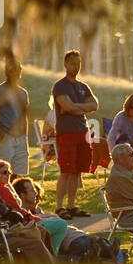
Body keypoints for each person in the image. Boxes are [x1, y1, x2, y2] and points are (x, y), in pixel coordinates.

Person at [0, 155, 67, 252]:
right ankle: (52, 260)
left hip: (8, 227)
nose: (8, 174)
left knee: (46, 226)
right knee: (58, 225)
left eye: (9, 172)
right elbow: (13, 212)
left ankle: (51, 259)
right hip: (6, 231)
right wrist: (36, 218)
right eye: (1, 172)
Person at [51, 49, 99, 218]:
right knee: (66, 170)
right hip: (66, 132)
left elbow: (94, 105)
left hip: (82, 131)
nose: (76, 67)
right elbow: (67, 106)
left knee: (77, 170)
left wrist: (75, 108)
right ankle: (59, 206)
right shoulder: (60, 86)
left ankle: (71, 205)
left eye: (79, 63)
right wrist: (79, 107)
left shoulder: (83, 86)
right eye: (73, 63)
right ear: (65, 64)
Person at [0, 55, 32, 175]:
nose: (15, 73)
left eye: (17, 70)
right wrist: (1, 133)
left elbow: (24, 116)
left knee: (20, 174)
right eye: (12, 70)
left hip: (20, 138)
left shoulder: (23, 93)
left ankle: (18, 194)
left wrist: (25, 135)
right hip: (5, 138)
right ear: (6, 72)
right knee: (2, 174)